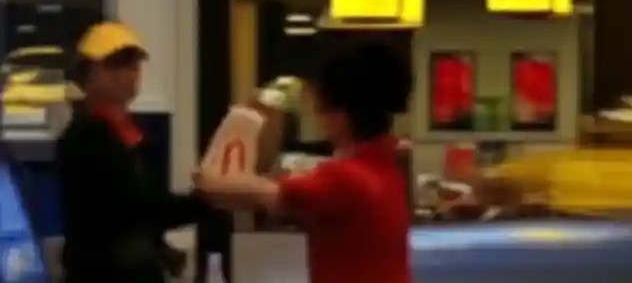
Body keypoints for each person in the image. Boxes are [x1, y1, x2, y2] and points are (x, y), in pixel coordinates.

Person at [197, 39, 413, 283]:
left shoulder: (343, 178)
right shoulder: (387, 167)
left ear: (338, 114)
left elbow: (218, 186)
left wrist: (250, 115)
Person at [56, 21, 204, 283]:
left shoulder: (131, 133)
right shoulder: (86, 137)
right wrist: (205, 201)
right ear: (89, 72)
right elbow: (134, 208)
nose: (130, 71)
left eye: (134, 62)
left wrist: (160, 249)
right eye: (117, 62)